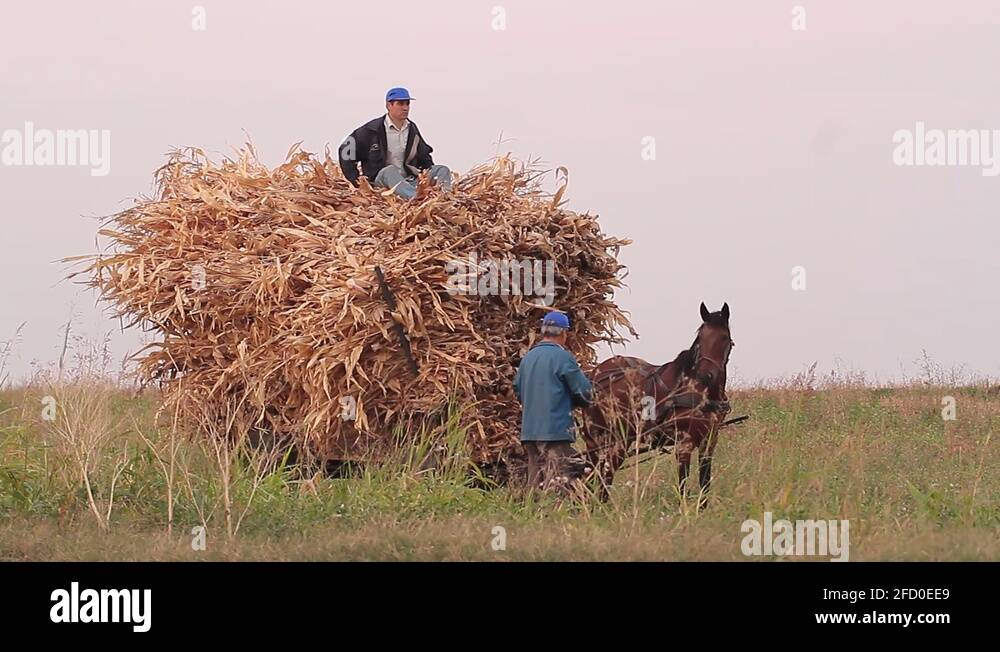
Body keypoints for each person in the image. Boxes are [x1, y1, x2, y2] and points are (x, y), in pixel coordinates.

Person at [512, 311, 593, 491]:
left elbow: (517, 388)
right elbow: (584, 391)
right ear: (564, 333)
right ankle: (555, 515)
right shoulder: (563, 358)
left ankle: (531, 514)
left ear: (544, 332)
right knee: (558, 481)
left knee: (535, 480)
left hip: (530, 431)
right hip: (555, 430)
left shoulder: (528, 358)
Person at [338, 87, 452, 200]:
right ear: (389, 105)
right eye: (400, 104)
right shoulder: (372, 130)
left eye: (407, 104)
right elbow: (346, 149)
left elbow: (424, 155)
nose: (405, 108)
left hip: (410, 180)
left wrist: (426, 177)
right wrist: (357, 182)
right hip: (382, 182)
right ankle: (416, 199)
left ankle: (443, 199)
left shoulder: (411, 129)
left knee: (442, 170)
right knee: (389, 171)